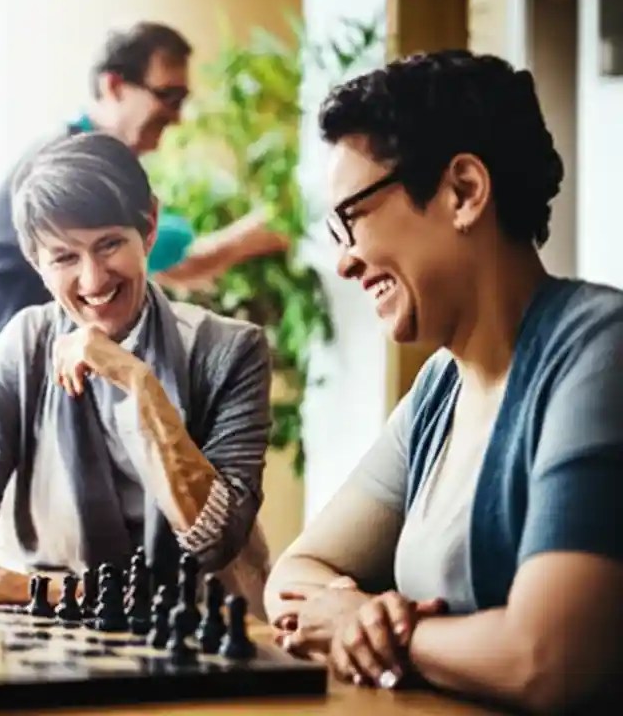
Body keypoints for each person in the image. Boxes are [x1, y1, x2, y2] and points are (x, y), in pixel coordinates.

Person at [264, 51, 623, 713]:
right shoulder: (439, 389)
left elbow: (550, 660)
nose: (344, 262)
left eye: (353, 218)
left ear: (462, 191)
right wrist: (353, 610)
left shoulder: (600, 350)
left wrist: (369, 628)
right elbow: (292, 578)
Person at [0, 132, 274, 618]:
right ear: (35, 261)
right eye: (64, 257)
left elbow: (216, 541)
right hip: (59, 624)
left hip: (201, 625)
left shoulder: (231, 351)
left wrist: (139, 384)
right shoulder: (24, 349)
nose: (93, 280)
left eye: (109, 245)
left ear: (149, 227)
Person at [0, 21, 288, 388]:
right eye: (168, 96)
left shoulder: (91, 158)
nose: (177, 115)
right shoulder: (71, 163)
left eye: (182, 100)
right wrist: (261, 232)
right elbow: (175, 258)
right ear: (113, 86)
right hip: (4, 371)